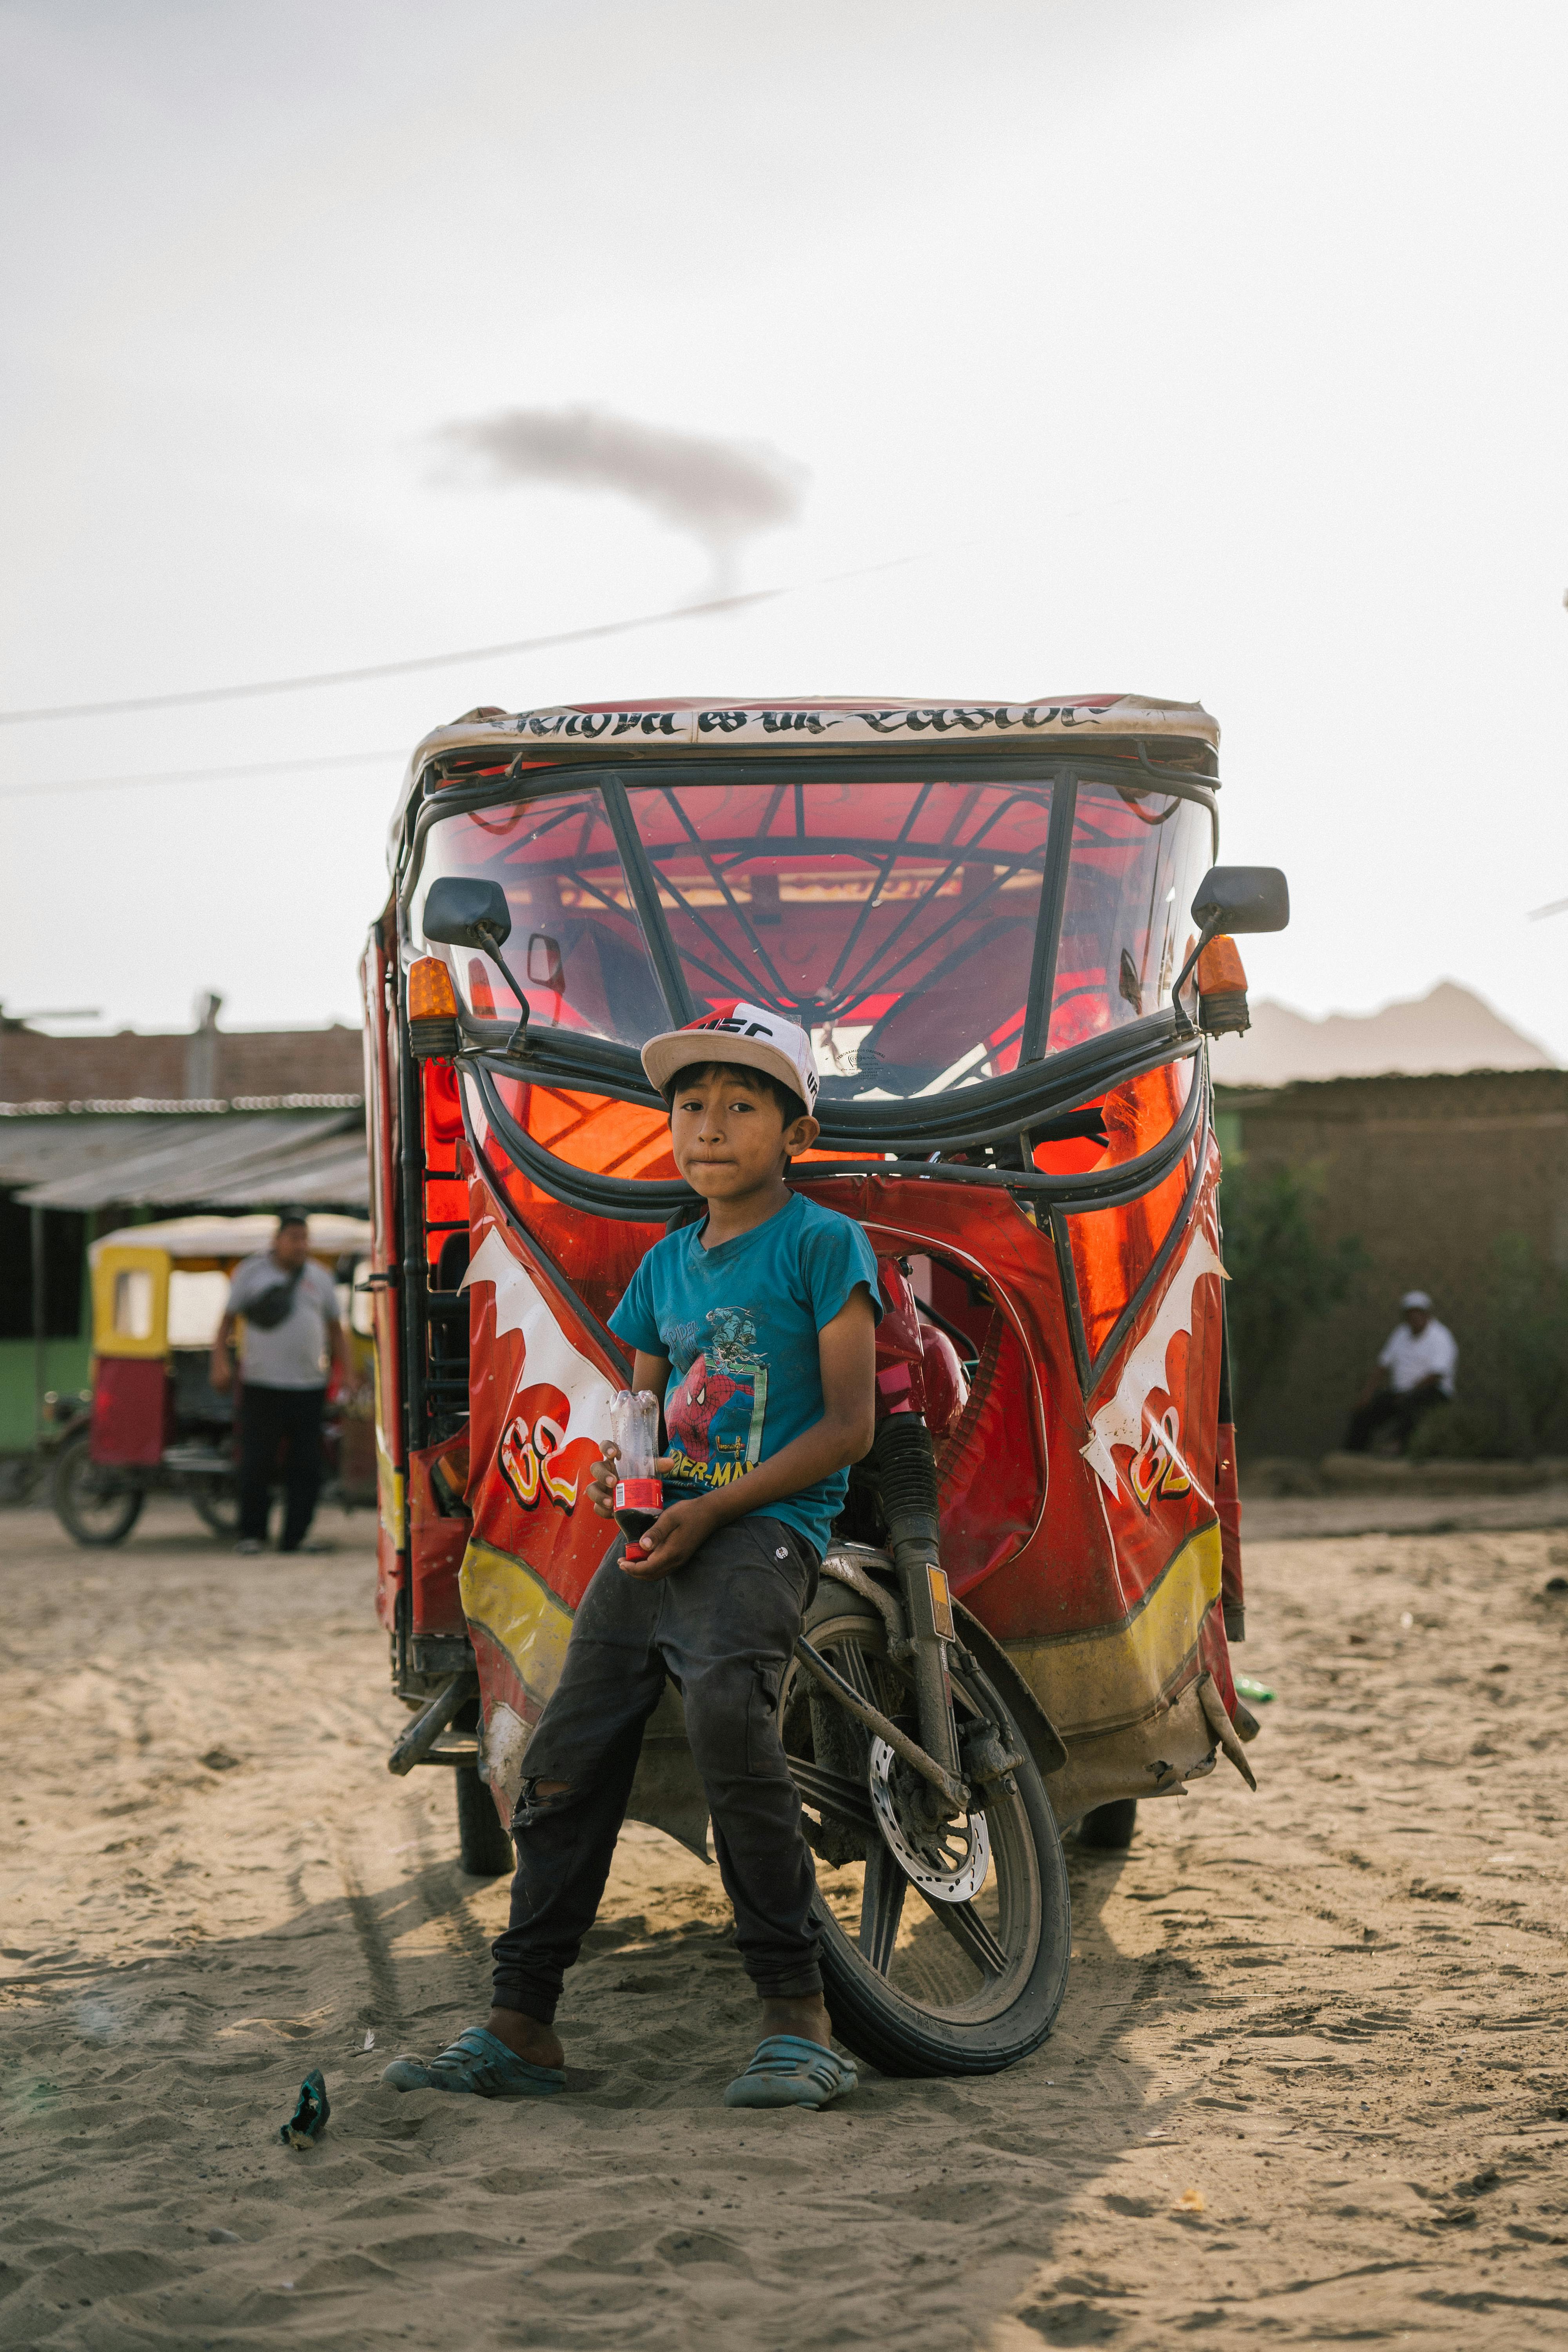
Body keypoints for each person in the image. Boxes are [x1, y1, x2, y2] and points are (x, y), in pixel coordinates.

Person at [384, 1003, 879, 2113]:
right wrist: (622, 1479)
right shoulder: (663, 1267)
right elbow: (644, 1420)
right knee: (565, 1751)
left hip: (769, 1527)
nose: (709, 1125)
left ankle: (798, 2017)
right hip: (661, 1533)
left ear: (796, 1136)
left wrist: (714, 1513)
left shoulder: (821, 1244)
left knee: (726, 1722)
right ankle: (522, 2023)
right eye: (689, 1105)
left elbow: (849, 1429)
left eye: (742, 1105)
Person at [211, 1211, 348, 1554]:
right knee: (257, 1461)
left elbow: (336, 1329)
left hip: (308, 1386)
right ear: (277, 1240)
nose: (301, 1245)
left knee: (306, 1465)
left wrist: (347, 1372)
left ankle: (295, 1538)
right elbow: (225, 1324)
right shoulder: (250, 1273)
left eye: (305, 1239)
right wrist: (220, 1363)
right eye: (294, 1238)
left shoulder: (320, 1277)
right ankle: (252, 1535)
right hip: (261, 1384)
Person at [1343, 1290, 1457, 1454]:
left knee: (1412, 1404)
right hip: (1402, 1393)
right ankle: (1352, 1456)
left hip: (1433, 1392)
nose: (1415, 1317)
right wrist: (1367, 1394)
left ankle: (1398, 1447)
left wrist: (1409, 1392)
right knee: (1367, 1411)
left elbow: (1438, 1375)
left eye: (1419, 1313)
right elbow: (1382, 1365)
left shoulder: (1442, 1337)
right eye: (1411, 1313)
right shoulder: (1400, 1334)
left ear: (1427, 1315)